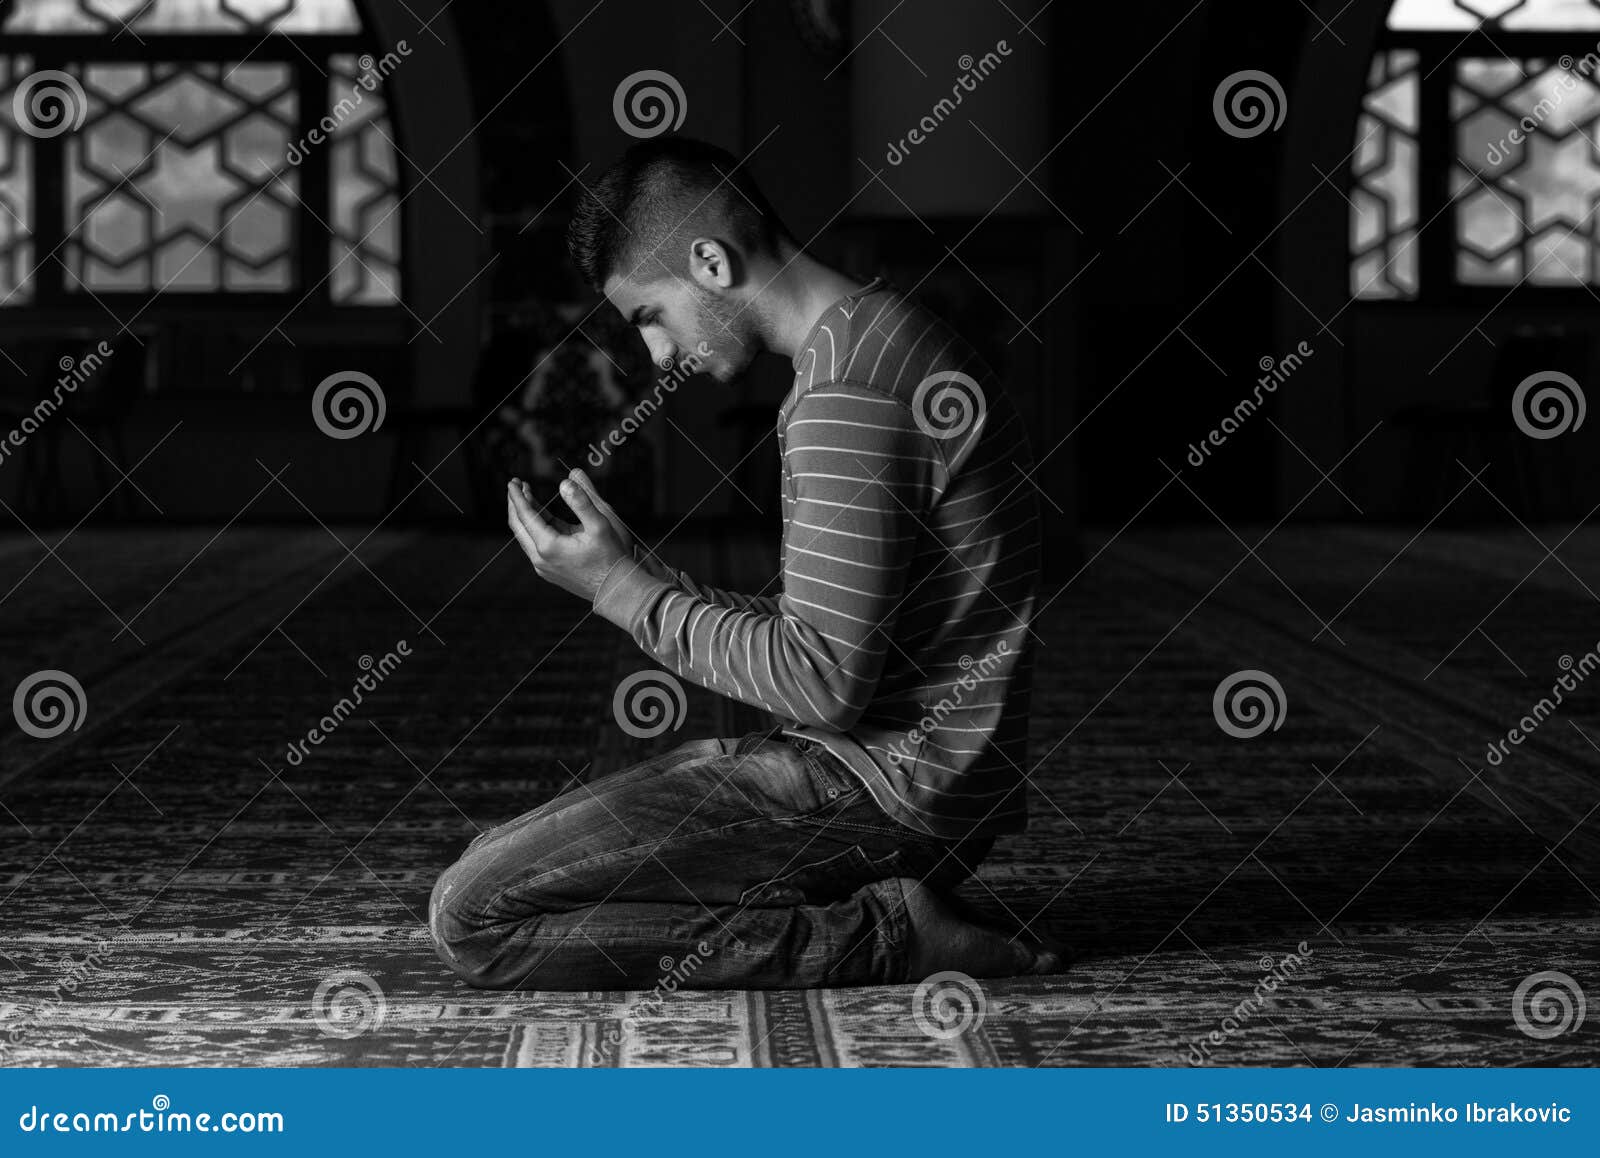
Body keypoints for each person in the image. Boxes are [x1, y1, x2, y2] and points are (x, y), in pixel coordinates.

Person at [428, 136, 1061, 990]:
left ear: (710, 264)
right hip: (910, 787)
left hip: (878, 799)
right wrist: (639, 575)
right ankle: (876, 910)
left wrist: (620, 591)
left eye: (651, 315)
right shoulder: (877, 339)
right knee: (501, 862)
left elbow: (822, 682)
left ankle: (883, 934)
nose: (657, 355)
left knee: (472, 916)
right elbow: (837, 642)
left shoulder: (848, 399)